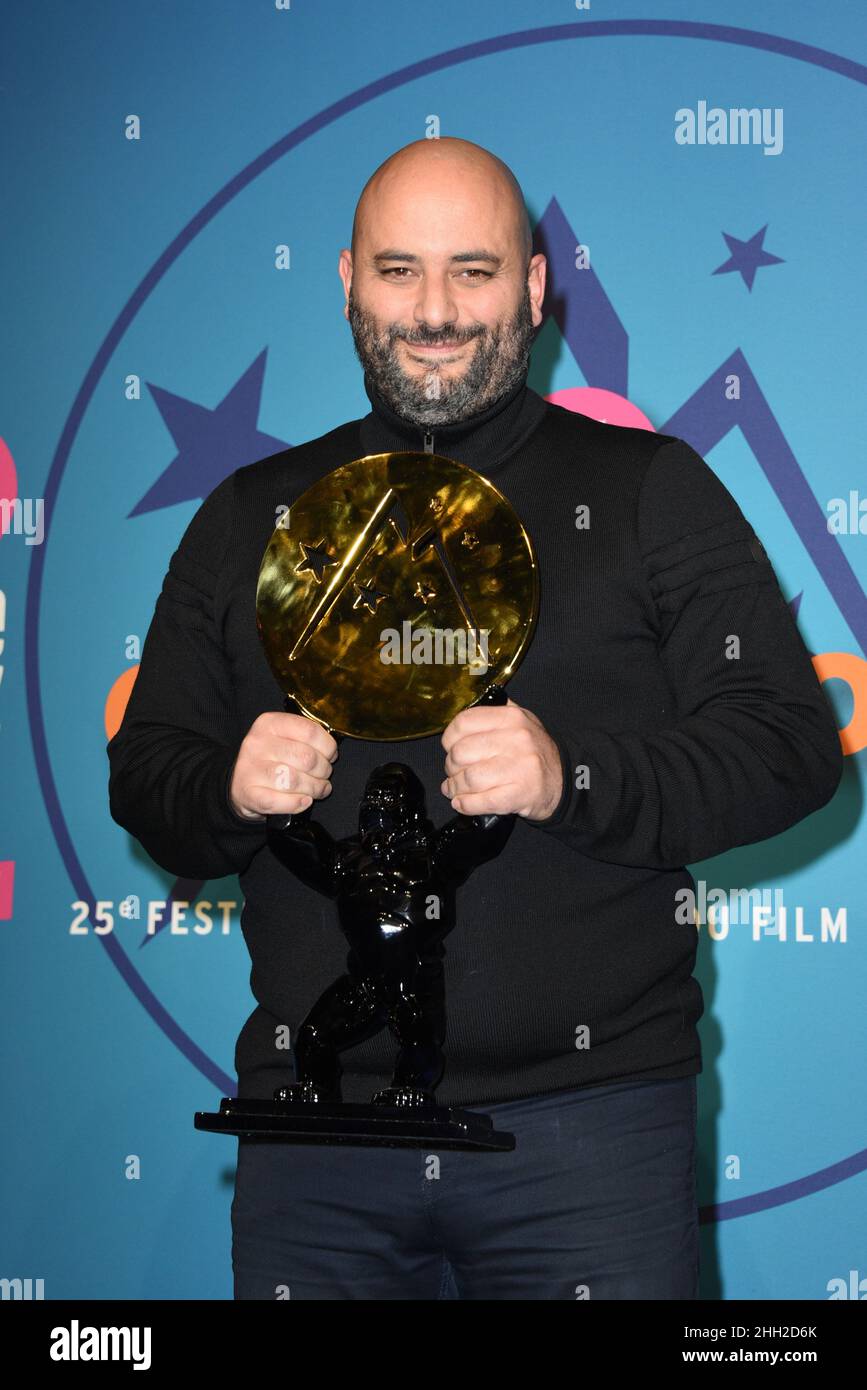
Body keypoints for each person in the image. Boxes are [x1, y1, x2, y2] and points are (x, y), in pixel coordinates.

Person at [107, 137, 843, 1300]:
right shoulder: (251, 514)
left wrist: (577, 776)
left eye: (474, 270)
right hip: (316, 1145)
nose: (435, 311)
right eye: (399, 271)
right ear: (347, 280)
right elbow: (148, 776)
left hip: (588, 1137)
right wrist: (224, 790)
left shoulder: (653, 490)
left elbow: (790, 747)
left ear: (536, 289)